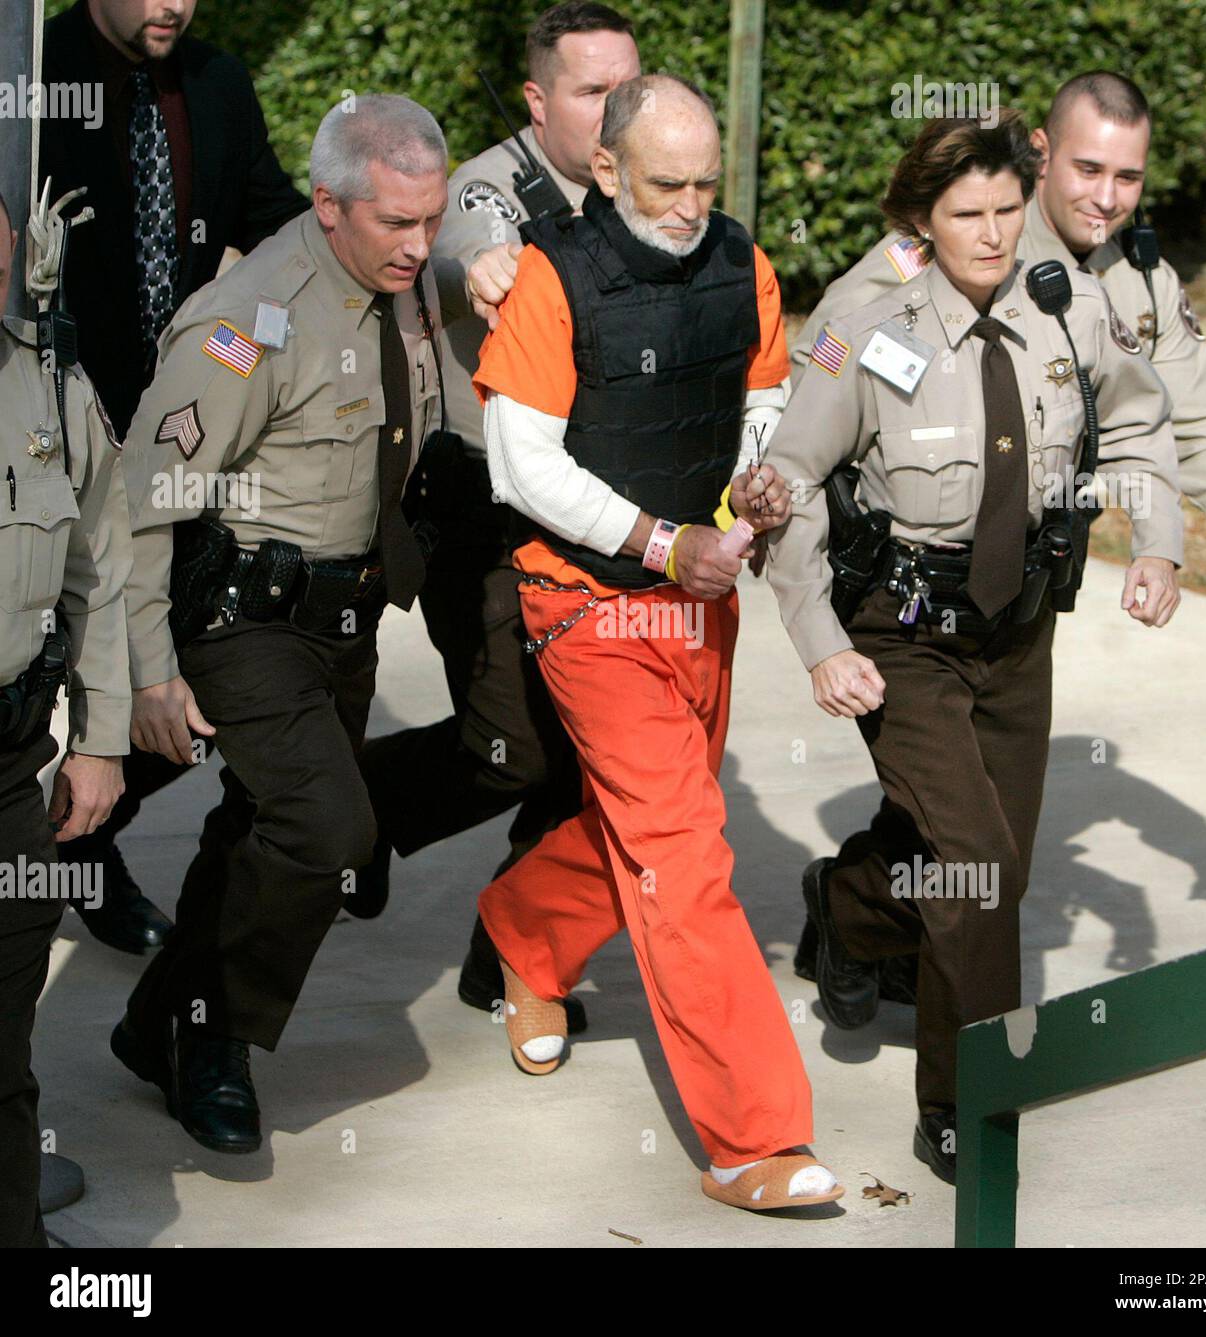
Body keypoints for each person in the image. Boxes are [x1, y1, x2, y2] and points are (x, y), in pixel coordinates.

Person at [762, 112, 1184, 1184]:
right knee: (980, 868)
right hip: (901, 636)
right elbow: (790, 486)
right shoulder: (865, 331)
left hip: (1018, 633)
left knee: (992, 874)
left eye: (1006, 210)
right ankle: (965, 1100)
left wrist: (1161, 540)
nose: (994, 235)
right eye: (967, 216)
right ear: (920, 220)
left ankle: (847, 904)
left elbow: (1138, 423)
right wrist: (817, 642)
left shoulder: (1067, 308)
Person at [789, 71, 1206, 996]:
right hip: (909, 597)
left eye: (1128, 177)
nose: (1105, 197)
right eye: (1088, 168)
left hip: (1024, 596)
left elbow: (1185, 410)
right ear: (1043, 158)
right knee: (963, 836)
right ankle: (938, 1034)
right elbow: (830, 355)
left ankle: (854, 914)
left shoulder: (1136, 280)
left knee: (978, 841)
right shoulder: (928, 256)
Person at [471, 74, 844, 1212]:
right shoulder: (549, 275)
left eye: (704, 183)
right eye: (664, 184)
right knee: (683, 852)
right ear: (606, 173)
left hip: (701, 589)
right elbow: (519, 463)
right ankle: (754, 1138)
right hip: (588, 599)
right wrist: (657, 541)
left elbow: (765, 390)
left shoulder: (744, 259)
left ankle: (525, 932)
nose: (689, 206)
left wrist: (754, 482)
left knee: (648, 826)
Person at [110, 95, 445, 1154]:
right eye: (397, 222)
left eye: (431, 219)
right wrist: (155, 674)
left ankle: (164, 1018)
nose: (420, 243)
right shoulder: (250, 320)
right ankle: (217, 1038)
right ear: (329, 205)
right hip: (242, 615)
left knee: (260, 825)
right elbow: (145, 500)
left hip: (343, 613)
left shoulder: (406, 285)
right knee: (326, 830)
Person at [354, 3, 640, 1034]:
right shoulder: (491, 183)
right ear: (538, 98)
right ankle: (369, 803)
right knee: (516, 743)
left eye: (627, 86)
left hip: (596, 507)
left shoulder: (643, 183)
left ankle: (514, 956)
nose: (618, 111)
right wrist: (478, 263)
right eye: (591, 91)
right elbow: (466, 239)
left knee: (586, 748)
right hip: (478, 500)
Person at [41, 0, 309, 955]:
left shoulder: (218, 83)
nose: (172, 4)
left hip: (175, 429)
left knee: (187, 662)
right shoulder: (30, 72)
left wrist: (375, 249)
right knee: (47, 652)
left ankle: (82, 833)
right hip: (46, 416)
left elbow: (276, 224)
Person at [0, 188, 132, 1244]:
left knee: (4, 1023)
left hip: (11, 753)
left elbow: (96, 560)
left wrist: (96, 738)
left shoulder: (42, 373)